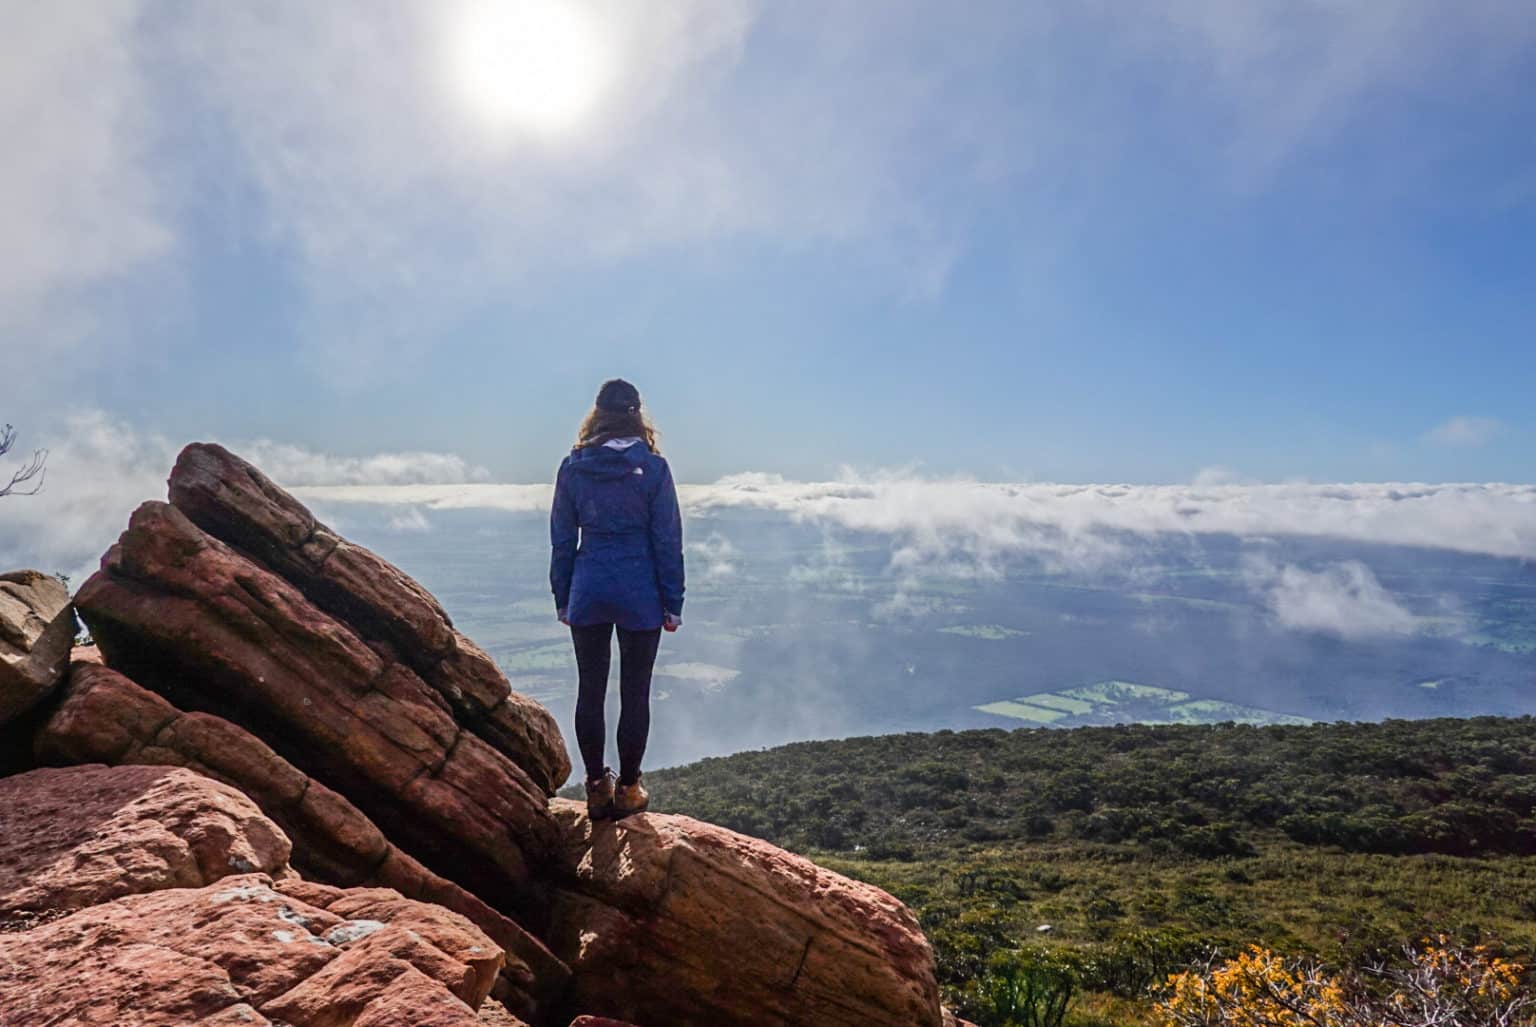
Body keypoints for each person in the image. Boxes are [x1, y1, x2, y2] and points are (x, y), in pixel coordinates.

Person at [550, 378, 685, 820]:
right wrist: (673, 601)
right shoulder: (654, 468)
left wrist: (563, 596)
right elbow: (667, 539)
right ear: (637, 415)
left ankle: (594, 787)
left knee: (590, 688)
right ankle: (628, 788)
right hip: (640, 589)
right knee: (635, 691)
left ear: (597, 414)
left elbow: (562, 539)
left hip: (589, 585)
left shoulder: (573, 467)